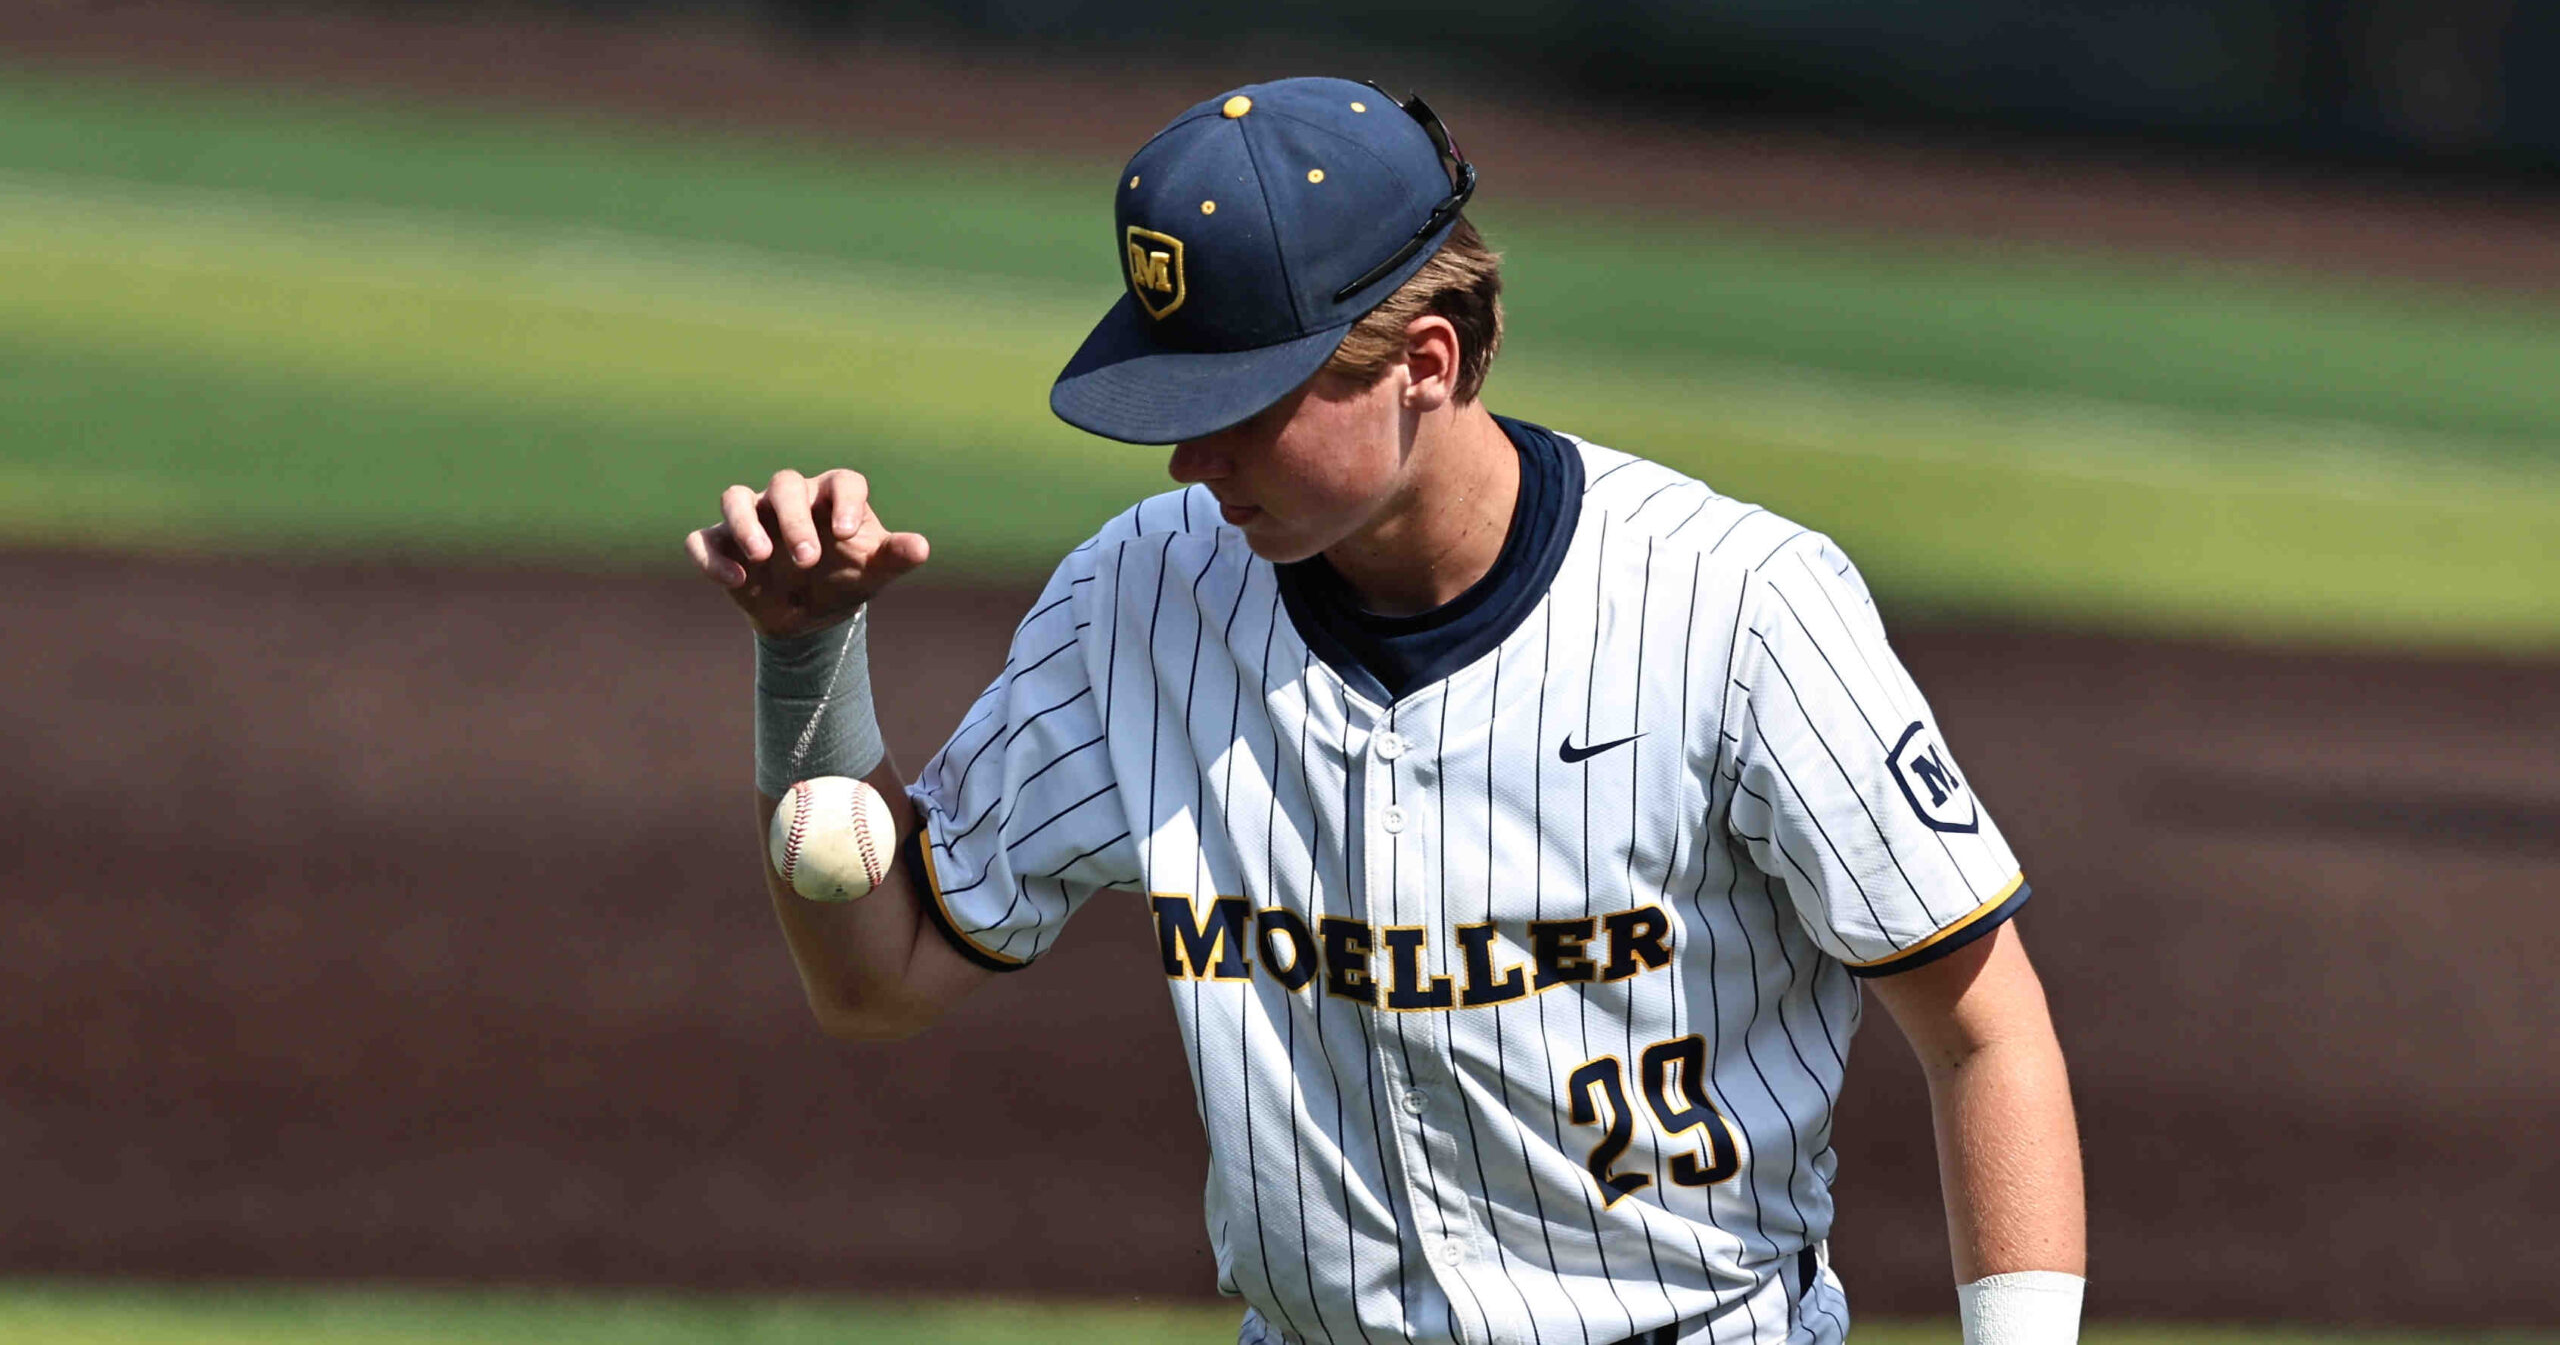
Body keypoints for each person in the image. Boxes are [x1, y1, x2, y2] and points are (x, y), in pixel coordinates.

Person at [685, 76, 2084, 1345]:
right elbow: (877, 976)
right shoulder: (1137, 599)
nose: (1190, 454)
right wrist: (807, 652)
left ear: (1428, 360)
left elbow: (1984, 1028)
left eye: (1245, 399)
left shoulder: (1738, 605)